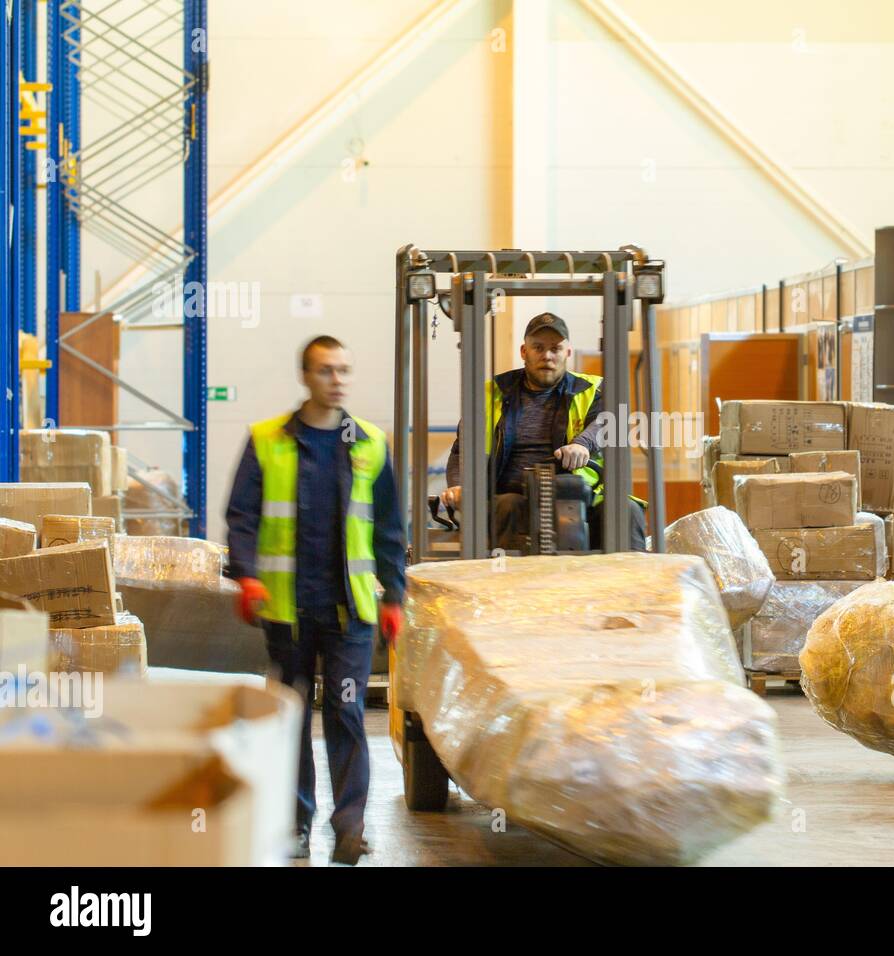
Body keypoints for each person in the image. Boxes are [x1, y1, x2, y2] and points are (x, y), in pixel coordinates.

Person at [225, 335, 406, 865]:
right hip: (288, 611)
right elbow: (243, 515)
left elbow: (390, 529)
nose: (337, 380)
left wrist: (395, 595)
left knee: (347, 711)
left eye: (344, 370)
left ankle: (349, 827)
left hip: (348, 612)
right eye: (326, 370)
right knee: (293, 718)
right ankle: (296, 825)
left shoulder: (370, 443)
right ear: (306, 376)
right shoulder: (267, 440)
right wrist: (248, 576)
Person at [443, 312, 646, 551]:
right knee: (507, 506)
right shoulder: (492, 392)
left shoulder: (593, 389)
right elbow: (464, 450)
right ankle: (507, 583)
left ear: (567, 353)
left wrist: (582, 444)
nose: (547, 356)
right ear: (524, 351)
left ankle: (626, 584)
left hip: (579, 494)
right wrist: (459, 486)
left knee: (625, 510)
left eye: (555, 349)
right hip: (510, 495)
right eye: (538, 347)